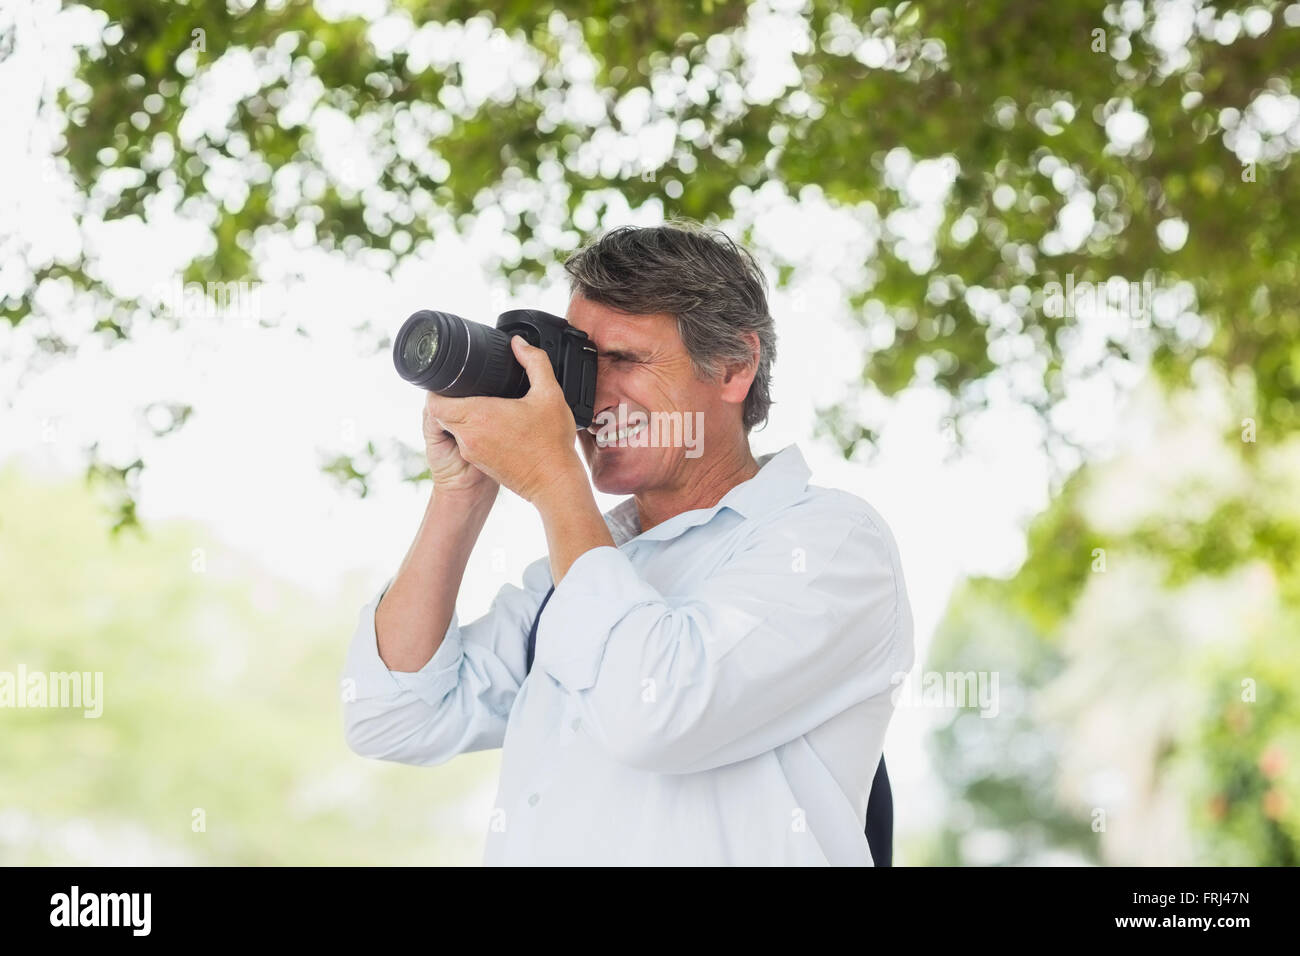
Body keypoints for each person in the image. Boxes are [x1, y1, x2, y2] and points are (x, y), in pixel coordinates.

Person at [340, 220, 914, 865]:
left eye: (624, 361)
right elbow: (393, 716)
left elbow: (657, 715)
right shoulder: (581, 571)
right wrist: (461, 493)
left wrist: (554, 478)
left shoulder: (830, 543)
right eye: (578, 367)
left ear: (733, 366)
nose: (584, 400)